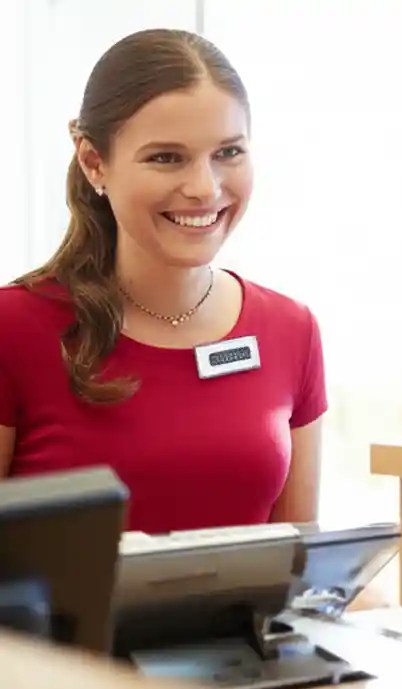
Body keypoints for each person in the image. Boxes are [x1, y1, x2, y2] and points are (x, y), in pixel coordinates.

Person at [0, 29, 326, 533]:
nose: (204, 187)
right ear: (94, 162)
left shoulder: (292, 330)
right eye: (166, 157)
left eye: (228, 153)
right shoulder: (13, 329)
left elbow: (298, 568)